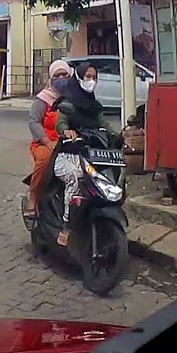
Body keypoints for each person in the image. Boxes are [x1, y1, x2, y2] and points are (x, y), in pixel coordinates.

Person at [49, 61, 116, 246]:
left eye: (95, 78)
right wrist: (67, 132)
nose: (91, 81)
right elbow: (60, 123)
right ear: (78, 78)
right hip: (67, 154)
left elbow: (106, 125)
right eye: (88, 77)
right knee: (75, 177)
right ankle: (66, 227)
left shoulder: (94, 106)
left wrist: (121, 136)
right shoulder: (67, 103)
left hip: (90, 156)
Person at [25, 59, 73, 219]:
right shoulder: (43, 99)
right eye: (57, 75)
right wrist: (47, 141)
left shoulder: (75, 96)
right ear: (51, 78)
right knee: (45, 160)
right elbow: (34, 122)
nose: (61, 78)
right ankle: (34, 195)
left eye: (64, 74)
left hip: (71, 142)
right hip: (46, 143)